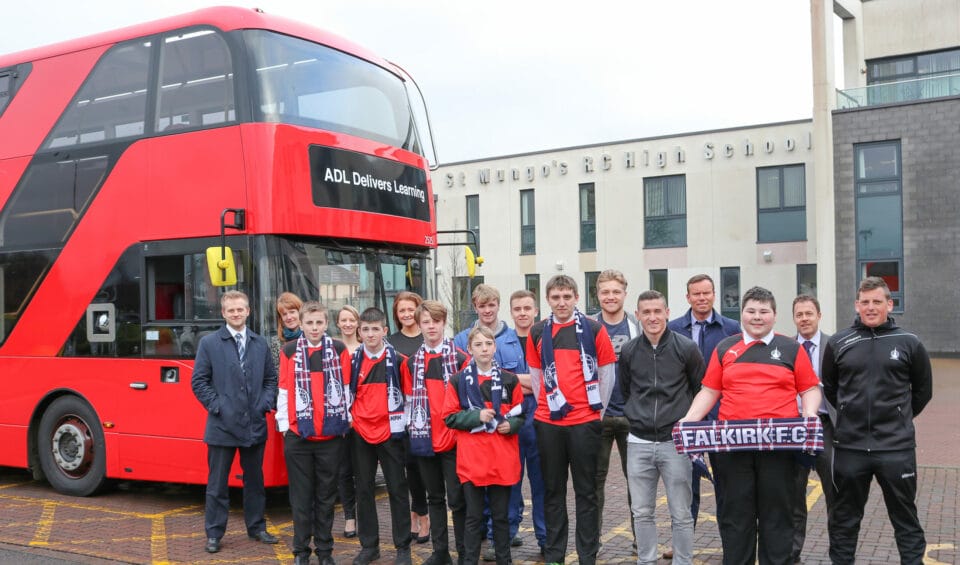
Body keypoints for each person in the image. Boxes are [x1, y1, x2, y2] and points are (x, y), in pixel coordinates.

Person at [679, 286, 821, 565]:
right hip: (732, 450)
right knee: (735, 516)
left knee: (778, 516)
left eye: (764, 311)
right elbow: (709, 391)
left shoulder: (791, 348)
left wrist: (811, 414)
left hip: (780, 449)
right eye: (751, 311)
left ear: (774, 315)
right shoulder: (725, 348)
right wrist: (688, 419)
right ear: (742, 314)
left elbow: (810, 389)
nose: (757, 317)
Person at [822, 277, 933, 565]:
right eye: (865, 302)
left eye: (877, 301)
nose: (871, 307)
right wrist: (850, 414)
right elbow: (831, 389)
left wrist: (898, 417)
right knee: (844, 520)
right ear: (857, 305)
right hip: (850, 448)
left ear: (889, 304)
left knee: (905, 519)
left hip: (896, 449)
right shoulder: (838, 342)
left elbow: (923, 391)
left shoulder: (909, 342)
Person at [526, 274, 616, 565]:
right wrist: (550, 407)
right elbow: (538, 379)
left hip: (584, 423)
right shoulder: (538, 332)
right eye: (555, 297)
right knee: (553, 492)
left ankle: (587, 555)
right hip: (549, 423)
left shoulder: (593, 329)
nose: (561, 302)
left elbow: (606, 376)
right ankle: (555, 555)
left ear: (577, 297)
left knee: (586, 493)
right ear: (548, 300)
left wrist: (593, 415)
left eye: (567, 296)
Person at [190, 290, 279, 554]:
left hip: (254, 425)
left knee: (255, 482)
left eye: (240, 309)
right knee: (217, 485)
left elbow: (270, 380)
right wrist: (218, 407)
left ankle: (257, 527)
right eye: (231, 310)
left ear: (248, 311)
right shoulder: (209, 343)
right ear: (224, 313)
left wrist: (263, 405)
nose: (236, 313)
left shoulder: (259, 343)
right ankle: (214, 534)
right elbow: (199, 381)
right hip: (221, 427)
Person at [620, 290, 704, 565]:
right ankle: (646, 560)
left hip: (675, 443)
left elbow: (698, 389)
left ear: (667, 312)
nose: (652, 317)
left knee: (681, 512)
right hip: (639, 442)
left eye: (658, 311)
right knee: (641, 511)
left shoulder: (686, 348)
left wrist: (684, 422)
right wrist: (637, 417)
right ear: (638, 315)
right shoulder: (630, 351)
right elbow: (625, 390)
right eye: (646, 312)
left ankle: (683, 561)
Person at [452, 284, 528, 556]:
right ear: (468, 348)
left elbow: (521, 411)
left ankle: (503, 559)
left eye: (488, 344)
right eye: (478, 344)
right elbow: (449, 416)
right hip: (473, 458)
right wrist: (476, 416)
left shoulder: (508, 379)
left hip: (501, 456)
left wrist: (513, 425)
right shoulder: (459, 380)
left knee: (501, 517)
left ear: (495, 346)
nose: (484, 349)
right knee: (474, 518)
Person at [277, 302, 353, 565]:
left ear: (326, 323)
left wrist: (345, 422)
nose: (314, 328)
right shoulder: (288, 351)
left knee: (326, 498)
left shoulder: (339, 350)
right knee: (300, 498)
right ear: (301, 323)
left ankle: (324, 551)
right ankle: (300, 552)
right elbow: (284, 392)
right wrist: (286, 429)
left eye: (319, 323)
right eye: (309, 323)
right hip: (299, 437)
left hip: (330, 438)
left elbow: (345, 390)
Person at [666, 273, 740, 542]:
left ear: (713, 295)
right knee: (686, 487)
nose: (701, 298)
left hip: (722, 417)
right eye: (696, 293)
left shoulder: (732, 329)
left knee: (726, 485)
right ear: (688, 297)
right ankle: (682, 544)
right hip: (686, 416)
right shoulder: (672, 328)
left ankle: (730, 544)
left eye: (706, 293)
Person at [401, 301, 470, 565]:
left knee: (458, 499)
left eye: (436, 321)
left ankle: (464, 551)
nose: (431, 326)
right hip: (424, 438)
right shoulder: (411, 364)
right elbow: (408, 402)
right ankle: (441, 552)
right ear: (419, 325)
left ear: (444, 323)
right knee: (434, 498)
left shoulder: (461, 359)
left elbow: (468, 401)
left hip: (454, 440)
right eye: (426, 322)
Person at [350, 307, 413, 565]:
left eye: (376, 328)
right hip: (360, 433)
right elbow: (346, 395)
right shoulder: (352, 361)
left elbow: (408, 400)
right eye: (365, 329)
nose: (370, 334)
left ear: (385, 331)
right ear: (359, 332)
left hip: (391, 433)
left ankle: (403, 548)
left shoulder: (399, 361)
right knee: (363, 490)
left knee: (397, 489)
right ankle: (369, 546)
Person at [588, 270, 639, 546]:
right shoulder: (588, 327)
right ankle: (592, 540)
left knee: (637, 481)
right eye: (605, 292)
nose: (610, 297)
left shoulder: (637, 327)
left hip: (632, 416)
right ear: (598, 295)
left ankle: (639, 539)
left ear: (624, 294)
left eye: (615, 292)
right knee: (594, 483)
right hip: (598, 416)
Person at [790, 294, 833, 563]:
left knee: (835, 493)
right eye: (799, 315)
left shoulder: (835, 346)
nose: (804, 319)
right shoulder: (785, 348)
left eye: (809, 313)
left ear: (819, 315)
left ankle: (840, 554)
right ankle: (793, 555)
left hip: (827, 427)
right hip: (793, 427)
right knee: (794, 496)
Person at [503, 290, 547, 556]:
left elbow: (549, 380)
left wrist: (515, 379)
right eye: (517, 308)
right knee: (509, 480)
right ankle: (506, 534)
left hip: (541, 419)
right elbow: (498, 381)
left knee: (542, 482)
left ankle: (544, 538)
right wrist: (528, 381)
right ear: (511, 312)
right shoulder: (501, 342)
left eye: (527, 308)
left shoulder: (547, 339)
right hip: (512, 421)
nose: (522, 313)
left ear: (536, 311)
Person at [389, 291, 430, 545]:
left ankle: (423, 515)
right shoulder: (389, 341)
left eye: (410, 310)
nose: (406, 314)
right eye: (401, 311)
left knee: (420, 469)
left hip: (425, 416)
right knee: (403, 469)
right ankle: (413, 516)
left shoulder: (428, 339)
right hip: (397, 416)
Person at [336, 304, 362, 539]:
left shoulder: (365, 349)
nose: (347, 324)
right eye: (343, 320)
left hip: (364, 420)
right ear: (338, 323)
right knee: (344, 471)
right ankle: (349, 518)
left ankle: (364, 515)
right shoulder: (332, 349)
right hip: (342, 421)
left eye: (351, 320)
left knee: (363, 471)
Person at [271, 292, 304, 369]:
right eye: (284, 314)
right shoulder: (276, 341)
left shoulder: (311, 337)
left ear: (300, 312)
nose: (289, 317)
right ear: (281, 318)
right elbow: (277, 372)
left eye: (292, 312)